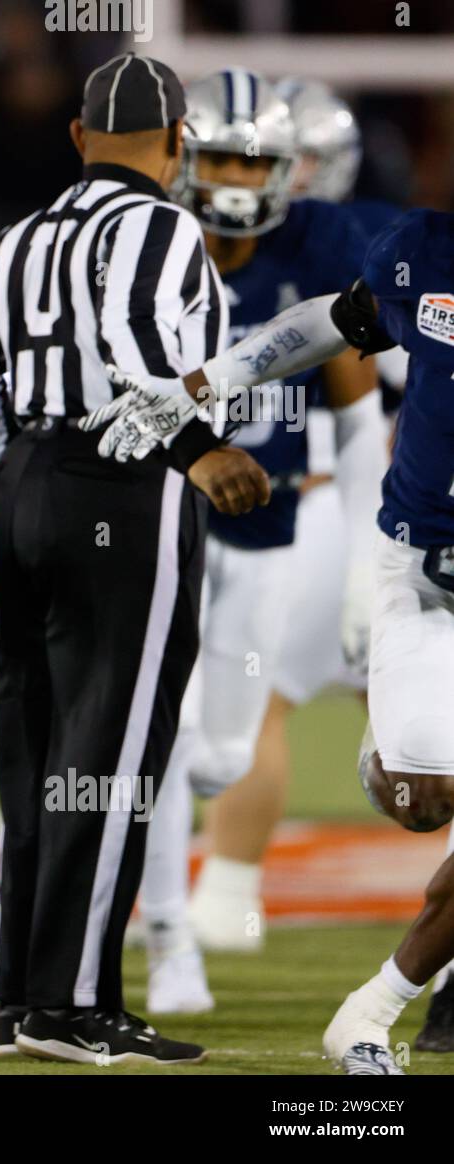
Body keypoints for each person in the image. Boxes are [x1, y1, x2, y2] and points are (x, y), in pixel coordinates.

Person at [0, 52, 269, 1065]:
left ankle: (23, 996)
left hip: (24, 492)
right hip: (123, 491)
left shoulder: (18, 239)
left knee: (38, 755)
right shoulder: (167, 227)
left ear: (79, 137)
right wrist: (200, 448)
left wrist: (11, 473)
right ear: (176, 145)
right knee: (113, 761)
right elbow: (137, 342)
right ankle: (71, 1003)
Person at [94, 207, 454, 1074]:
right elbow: (335, 321)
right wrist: (203, 384)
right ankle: (399, 747)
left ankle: (369, 1015)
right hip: (431, 578)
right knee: (424, 795)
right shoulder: (427, 254)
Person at [134, 69, 384, 1016]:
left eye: (258, 159)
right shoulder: (144, 251)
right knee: (157, 741)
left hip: (278, 523)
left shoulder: (322, 243)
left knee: (222, 757)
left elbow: (361, 412)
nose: (239, 176)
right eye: (224, 154)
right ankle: (168, 944)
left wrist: (365, 565)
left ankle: (194, 896)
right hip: (162, 519)